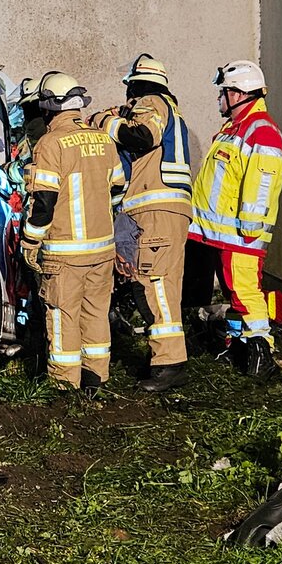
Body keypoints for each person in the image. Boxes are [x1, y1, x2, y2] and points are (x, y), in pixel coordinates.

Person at [22, 72, 125, 394]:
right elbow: (118, 190)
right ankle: (95, 380)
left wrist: (30, 240)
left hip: (65, 254)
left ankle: (65, 387)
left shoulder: (50, 144)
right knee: (95, 315)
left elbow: (44, 202)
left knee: (63, 316)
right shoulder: (103, 140)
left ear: (49, 108)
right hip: (102, 251)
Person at [190, 59, 282, 377]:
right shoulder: (235, 128)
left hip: (239, 235)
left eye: (225, 92)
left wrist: (249, 227)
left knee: (246, 292)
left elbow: (262, 182)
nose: (220, 98)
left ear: (238, 93)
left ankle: (263, 355)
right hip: (221, 234)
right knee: (235, 294)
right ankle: (239, 347)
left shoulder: (262, 131)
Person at [109, 55, 195, 391]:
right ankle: (165, 359)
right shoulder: (172, 109)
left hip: (156, 211)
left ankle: (169, 364)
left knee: (154, 285)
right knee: (159, 285)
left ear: (136, 85)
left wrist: (107, 123)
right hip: (164, 211)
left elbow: (143, 137)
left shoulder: (151, 102)